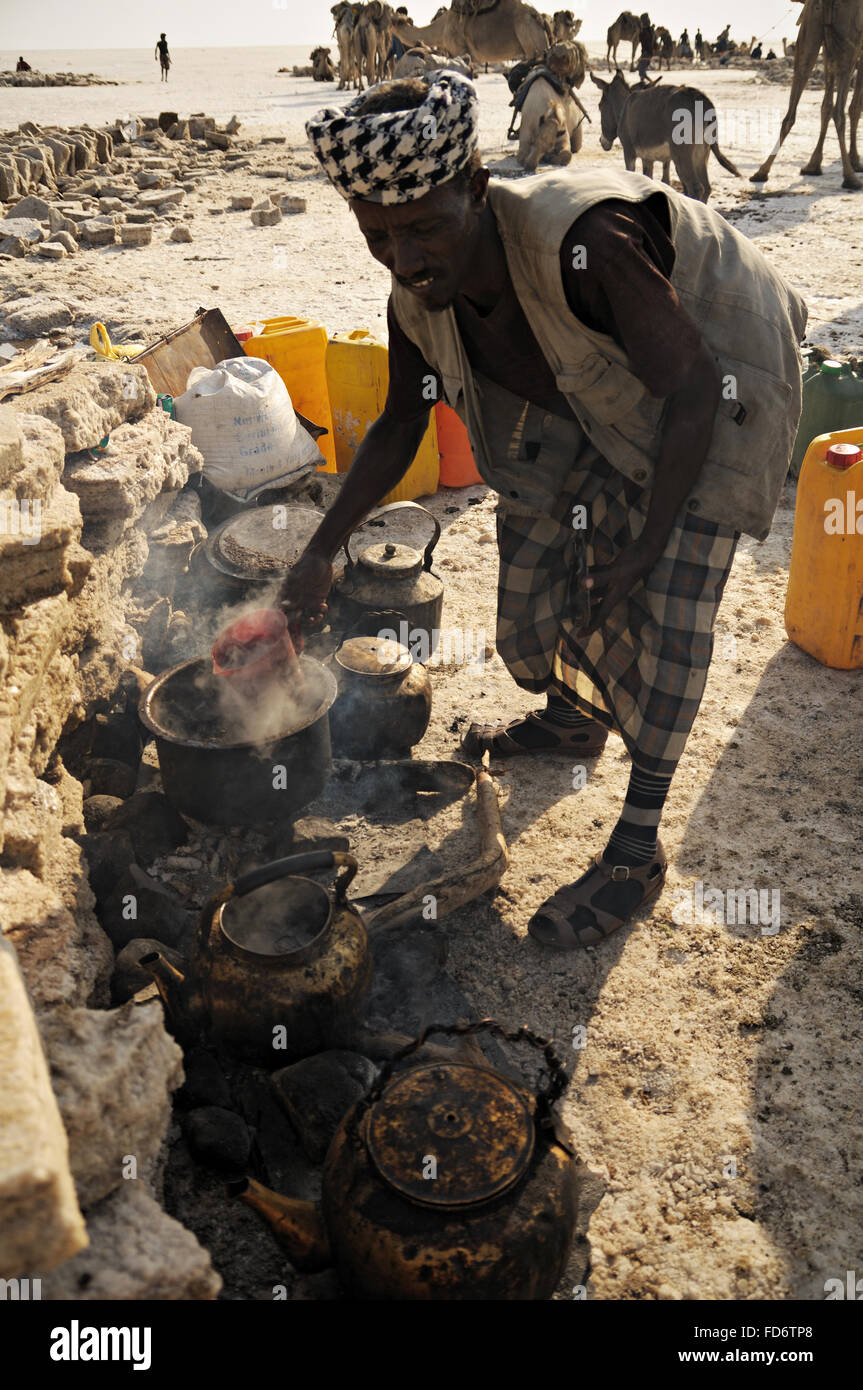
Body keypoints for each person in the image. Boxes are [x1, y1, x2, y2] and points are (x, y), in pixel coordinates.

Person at [282, 73, 807, 949]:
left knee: (665, 608)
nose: (405, 261)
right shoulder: (414, 290)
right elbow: (403, 417)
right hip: (601, 390)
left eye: (423, 230)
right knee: (536, 551)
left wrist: (645, 544)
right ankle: (573, 718)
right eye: (378, 238)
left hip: (717, 380)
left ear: (475, 188)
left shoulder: (587, 240)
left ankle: (636, 853)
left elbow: (687, 392)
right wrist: (320, 551)